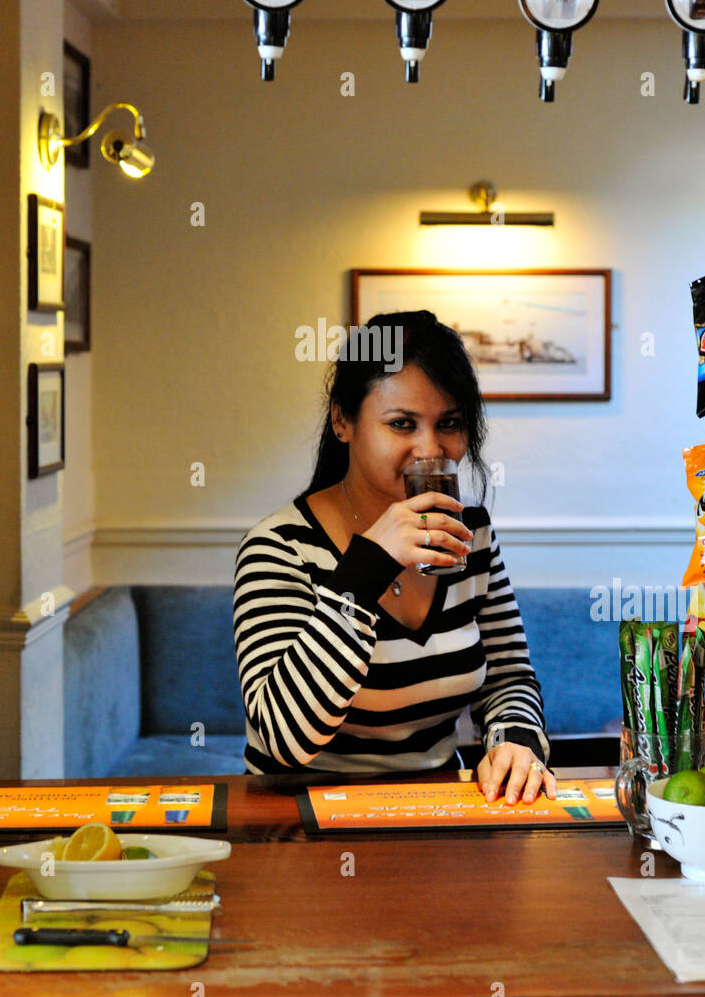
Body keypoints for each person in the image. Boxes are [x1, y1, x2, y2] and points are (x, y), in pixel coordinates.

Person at [233, 310, 556, 806]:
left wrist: (515, 742)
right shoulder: (280, 547)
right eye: (402, 424)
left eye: (448, 423)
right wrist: (369, 565)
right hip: (297, 817)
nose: (430, 449)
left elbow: (508, 678)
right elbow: (284, 738)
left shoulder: (471, 535)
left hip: (436, 808)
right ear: (344, 420)